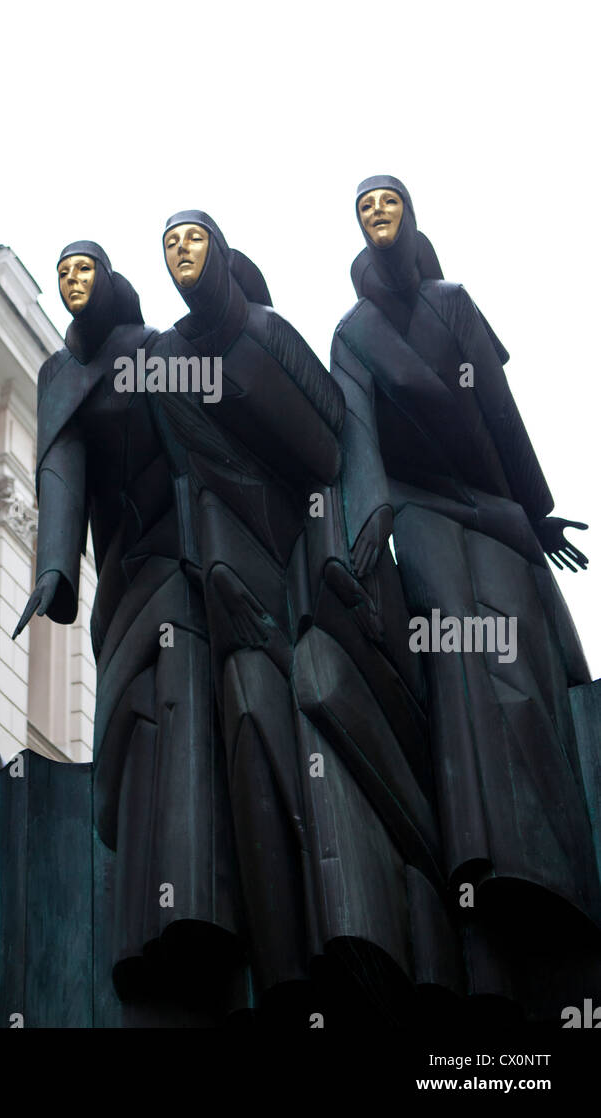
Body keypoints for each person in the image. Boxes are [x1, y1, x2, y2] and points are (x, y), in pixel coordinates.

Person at [149, 211, 457, 1021]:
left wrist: (348, 539)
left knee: (318, 680)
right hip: (257, 563)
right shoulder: (170, 370)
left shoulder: (271, 336)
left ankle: (376, 936)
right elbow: (204, 481)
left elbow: (339, 449)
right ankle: (283, 967)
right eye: (170, 244)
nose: (182, 255)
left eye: (196, 240)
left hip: (331, 563)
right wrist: (220, 570)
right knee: (249, 694)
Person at [331, 175, 600, 1012]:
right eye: (365, 207)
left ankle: (554, 863)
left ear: (411, 217)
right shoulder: (353, 331)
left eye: (390, 204)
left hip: (491, 506)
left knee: (520, 664)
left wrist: (537, 509)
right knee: (455, 648)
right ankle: (483, 863)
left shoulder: (453, 302)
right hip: (417, 506)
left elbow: (503, 413)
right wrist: (367, 511)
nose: (379, 216)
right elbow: (357, 427)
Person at [14, 240, 244, 1012]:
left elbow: (199, 449)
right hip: (119, 575)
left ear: (110, 281)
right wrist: (53, 569)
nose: (75, 284)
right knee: (129, 724)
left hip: (176, 561)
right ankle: (143, 926)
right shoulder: (59, 374)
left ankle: (197, 913)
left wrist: (217, 551)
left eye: (86, 270)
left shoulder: (150, 351)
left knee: (177, 714)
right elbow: (59, 468)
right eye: (64, 275)